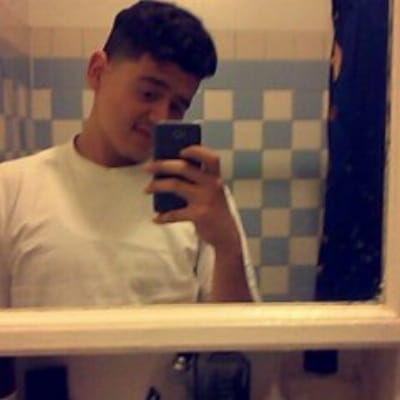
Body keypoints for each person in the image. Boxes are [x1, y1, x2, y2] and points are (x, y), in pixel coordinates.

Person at [0, 0, 259, 308]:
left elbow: (238, 335)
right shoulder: (10, 190)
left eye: (177, 106)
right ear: (98, 72)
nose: (161, 117)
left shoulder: (198, 200)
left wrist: (228, 247)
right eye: (148, 93)